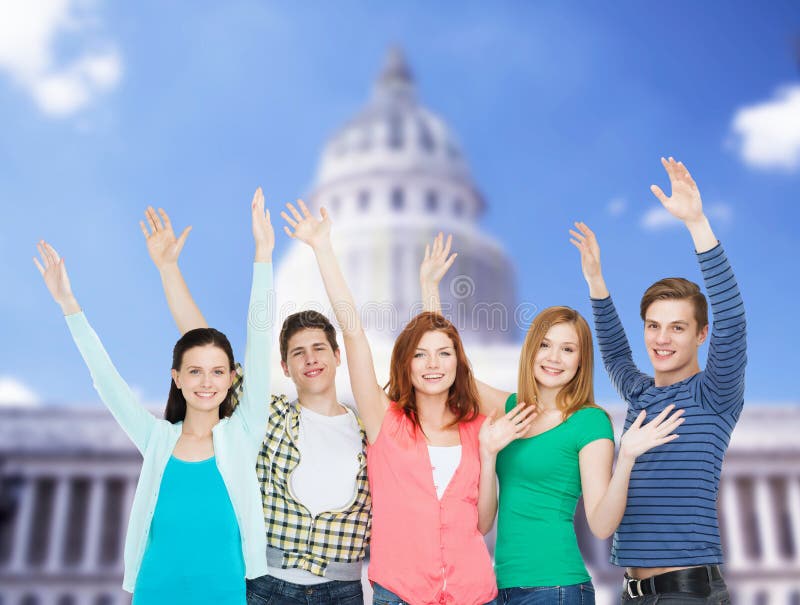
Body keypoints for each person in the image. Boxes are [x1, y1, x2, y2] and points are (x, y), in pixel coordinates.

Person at [280, 201, 535, 605]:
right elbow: (353, 334)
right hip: (400, 594)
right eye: (419, 355)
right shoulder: (385, 422)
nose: (433, 364)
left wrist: (489, 456)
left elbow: (483, 523)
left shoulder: (478, 429)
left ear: (458, 362)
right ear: (406, 364)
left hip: (474, 595)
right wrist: (323, 248)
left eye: (444, 355)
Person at [33, 189, 275, 604]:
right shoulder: (158, 438)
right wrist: (69, 305)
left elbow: (260, 338)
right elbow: (107, 381)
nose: (207, 382)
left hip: (224, 592)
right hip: (155, 590)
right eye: (195, 371)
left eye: (218, 371)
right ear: (176, 378)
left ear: (232, 378)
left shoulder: (244, 432)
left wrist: (263, 255)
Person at [421, 235, 685, 605]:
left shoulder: (589, 422)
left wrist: (626, 458)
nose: (554, 358)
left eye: (567, 349)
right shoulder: (511, 409)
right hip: (500, 587)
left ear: (580, 361)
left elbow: (601, 524)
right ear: (531, 350)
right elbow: (452, 375)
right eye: (545, 345)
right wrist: (430, 289)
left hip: (557, 588)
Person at [140, 205, 370, 604]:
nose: (310, 359)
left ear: (337, 356)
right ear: (285, 366)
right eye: (298, 353)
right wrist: (168, 269)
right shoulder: (267, 415)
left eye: (319, 348)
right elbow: (203, 342)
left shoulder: (370, 431)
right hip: (267, 585)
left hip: (343, 590)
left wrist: (322, 248)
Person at [570, 157, 746, 602]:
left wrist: (697, 224)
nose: (662, 339)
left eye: (677, 327)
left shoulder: (714, 393)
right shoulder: (639, 394)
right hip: (633, 593)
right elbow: (614, 352)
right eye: (653, 326)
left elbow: (733, 320)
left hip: (687, 592)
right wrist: (596, 281)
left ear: (701, 334)